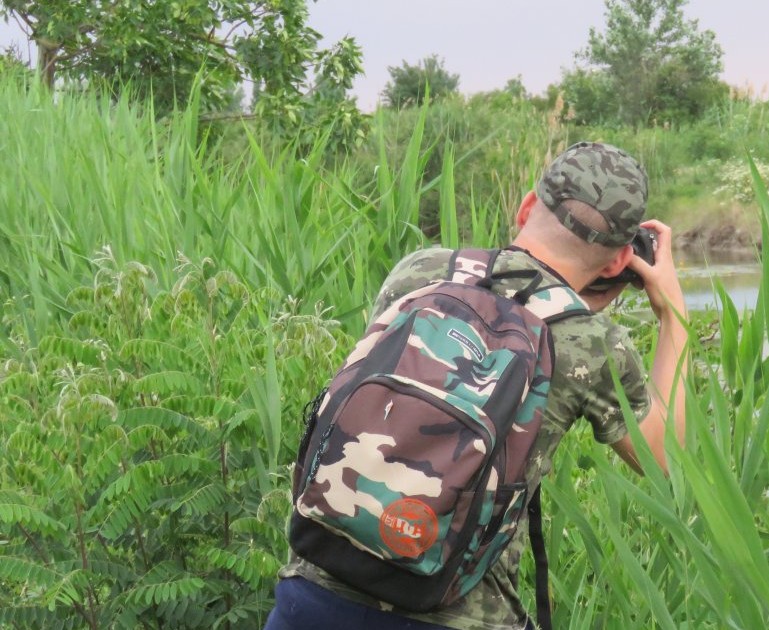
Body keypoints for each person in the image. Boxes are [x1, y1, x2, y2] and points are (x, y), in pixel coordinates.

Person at [265, 141, 689, 630]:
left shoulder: (420, 272)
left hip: (313, 592)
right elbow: (665, 464)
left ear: (527, 206)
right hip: (452, 614)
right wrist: (673, 318)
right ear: (618, 263)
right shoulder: (591, 344)